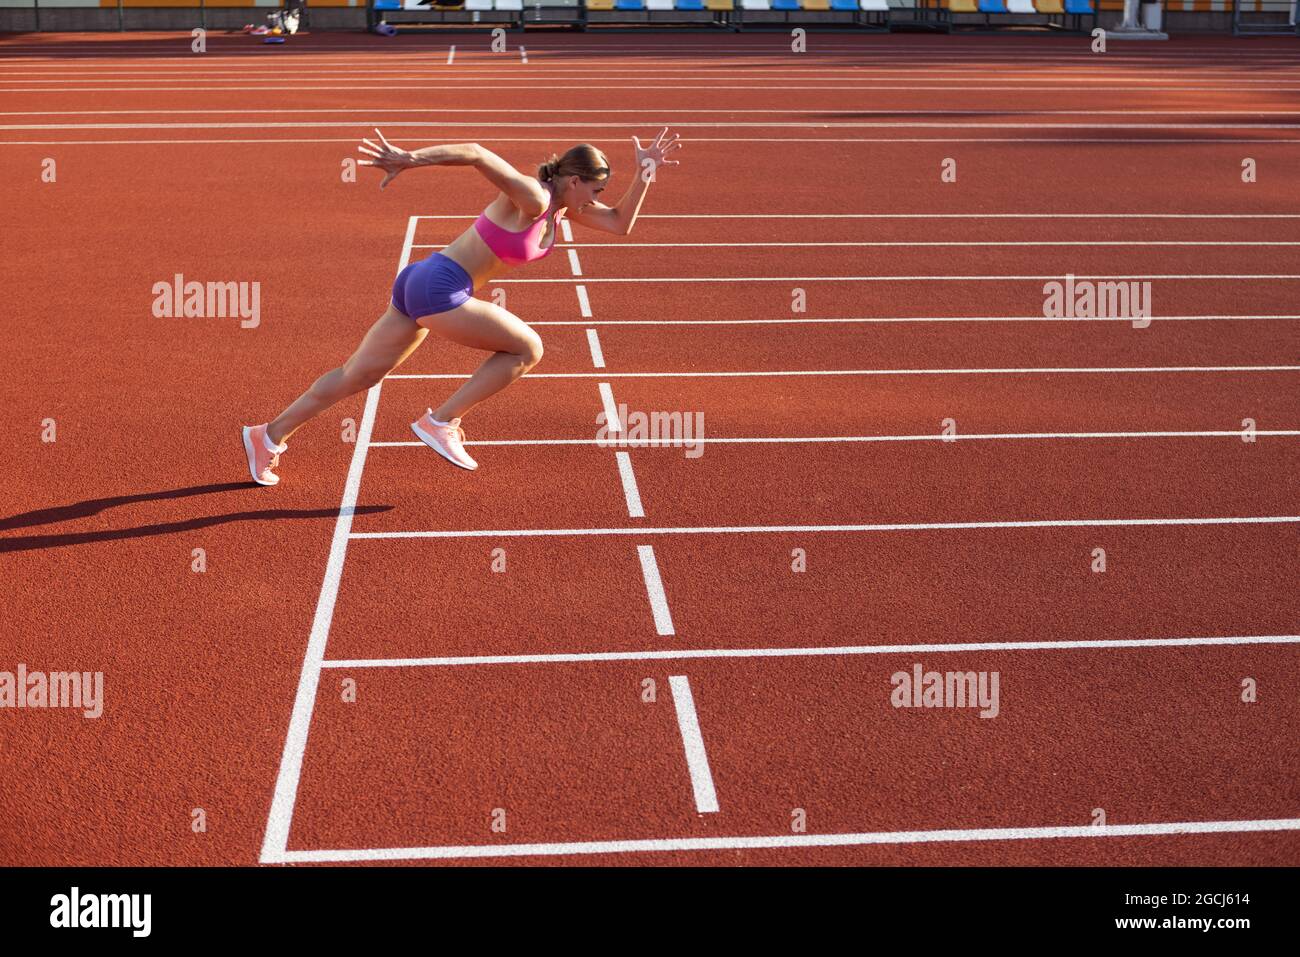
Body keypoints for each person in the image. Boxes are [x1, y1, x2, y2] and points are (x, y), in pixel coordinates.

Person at [241, 128, 682, 484]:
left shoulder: (563, 210)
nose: (597, 197)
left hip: (421, 281)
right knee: (527, 349)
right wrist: (411, 159)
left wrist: (646, 172)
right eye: (596, 188)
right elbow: (475, 152)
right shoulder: (536, 198)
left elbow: (621, 224)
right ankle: (441, 422)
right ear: (573, 181)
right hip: (440, 287)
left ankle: (268, 436)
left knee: (357, 375)